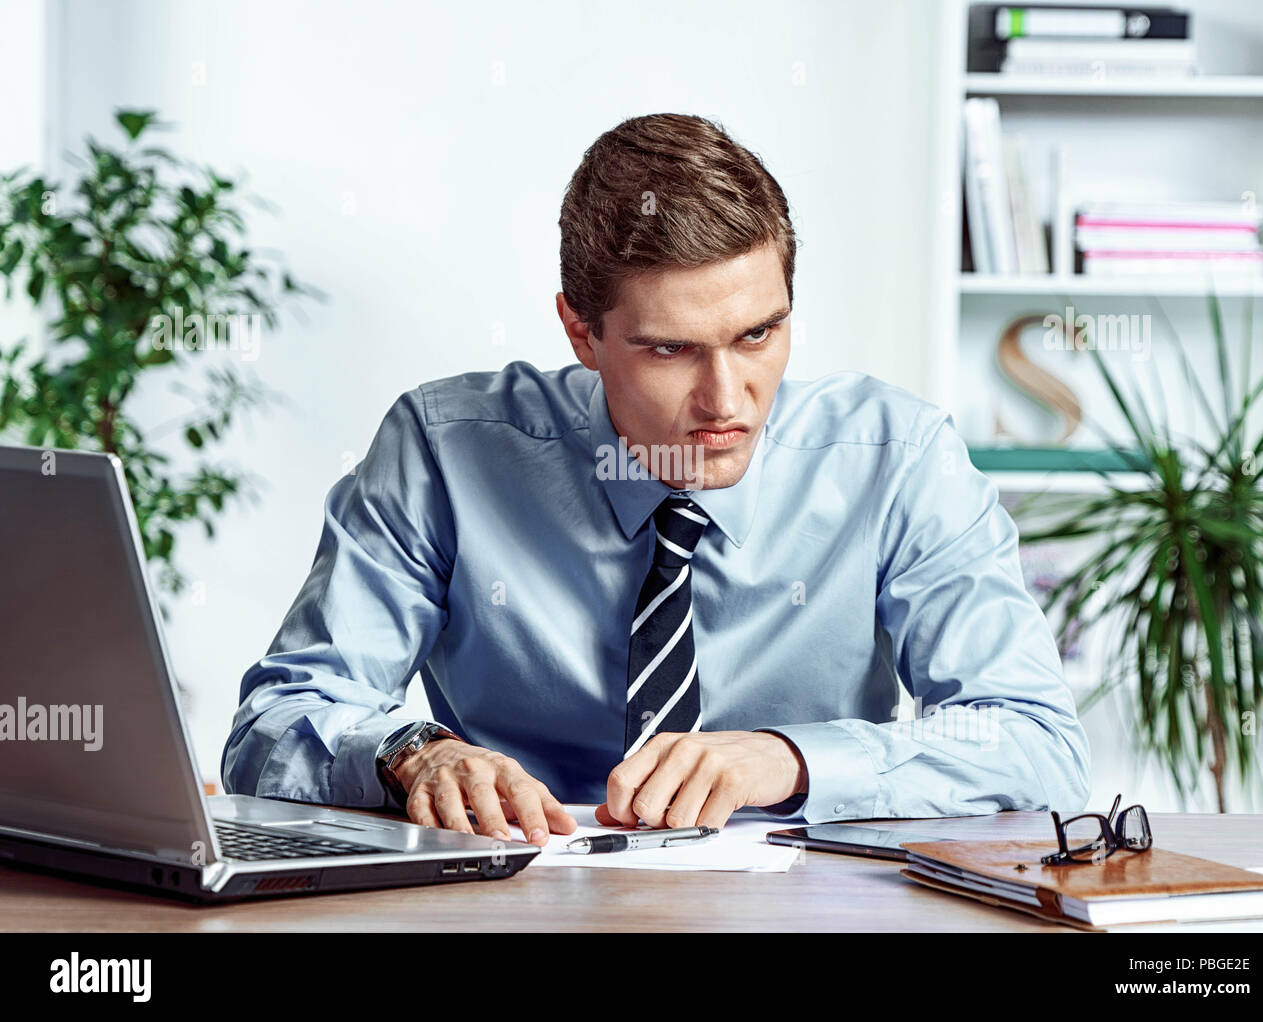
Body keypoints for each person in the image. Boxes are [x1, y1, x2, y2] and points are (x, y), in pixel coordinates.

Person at [221, 113, 1090, 847]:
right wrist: (412, 752)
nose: (726, 399)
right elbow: (275, 722)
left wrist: (786, 758)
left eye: (758, 335)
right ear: (581, 332)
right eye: (670, 348)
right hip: (511, 906)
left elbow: (1032, 739)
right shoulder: (445, 452)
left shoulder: (897, 459)